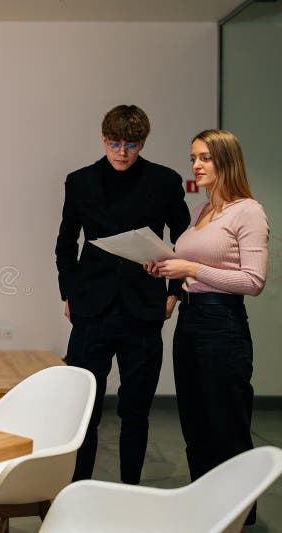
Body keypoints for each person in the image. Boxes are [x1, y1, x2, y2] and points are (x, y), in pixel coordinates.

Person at [55, 105, 191, 484]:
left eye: (131, 145)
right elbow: (66, 244)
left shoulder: (165, 181)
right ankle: (78, 489)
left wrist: (174, 293)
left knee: (136, 410)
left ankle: (129, 489)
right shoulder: (79, 181)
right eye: (114, 143)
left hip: (143, 309)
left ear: (142, 143)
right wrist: (69, 291)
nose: (122, 152)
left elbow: (185, 241)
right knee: (84, 409)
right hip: (90, 309)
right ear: (103, 138)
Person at [146, 129, 268, 525]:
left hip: (223, 324)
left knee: (227, 428)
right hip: (190, 319)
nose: (196, 166)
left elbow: (253, 281)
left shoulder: (248, 211)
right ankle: (205, 512)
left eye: (205, 158)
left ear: (226, 161)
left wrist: (191, 268)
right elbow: (191, 269)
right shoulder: (200, 213)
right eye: (193, 158)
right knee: (195, 428)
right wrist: (165, 267)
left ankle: (239, 518)